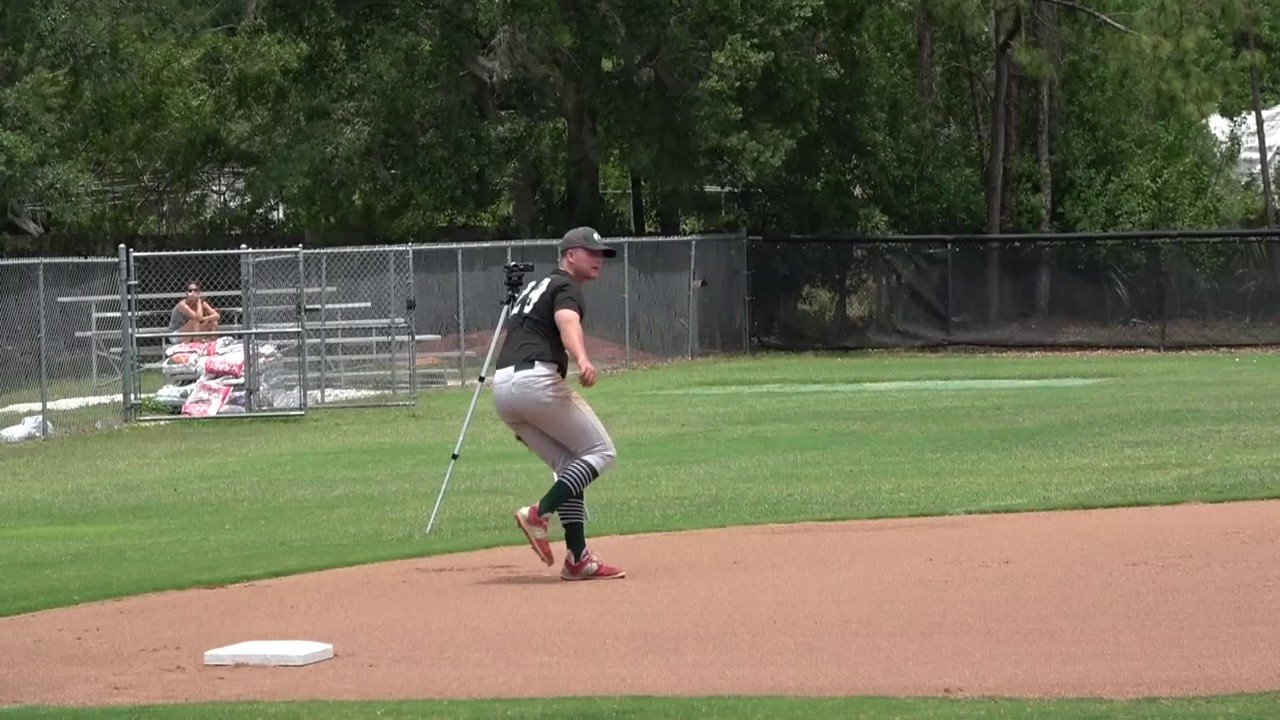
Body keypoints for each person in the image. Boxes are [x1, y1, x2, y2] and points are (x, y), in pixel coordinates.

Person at [491, 226, 624, 581]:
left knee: (569, 464)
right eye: (591, 252)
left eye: (601, 254)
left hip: (503, 387)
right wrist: (582, 358)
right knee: (602, 452)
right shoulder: (565, 286)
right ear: (570, 256)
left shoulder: (535, 287)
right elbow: (567, 320)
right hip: (536, 382)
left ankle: (578, 558)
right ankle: (539, 514)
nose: (598, 259)